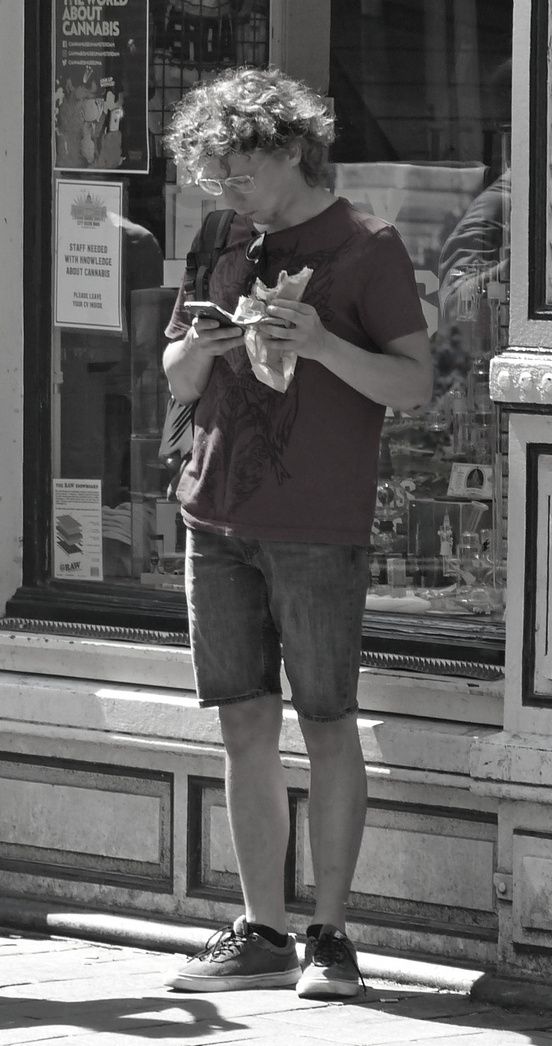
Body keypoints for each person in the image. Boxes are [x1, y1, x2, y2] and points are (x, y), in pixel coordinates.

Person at [158, 68, 432, 999]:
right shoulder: (220, 238)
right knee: (242, 722)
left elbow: (413, 385)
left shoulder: (368, 248)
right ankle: (262, 927)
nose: (220, 191)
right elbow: (176, 376)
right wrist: (199, 347)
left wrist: (318, 344)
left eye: (234, 172)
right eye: (210, 174)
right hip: (215, 509)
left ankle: (332, 936)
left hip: (317, 522)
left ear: (286, 150)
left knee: (326, 722)